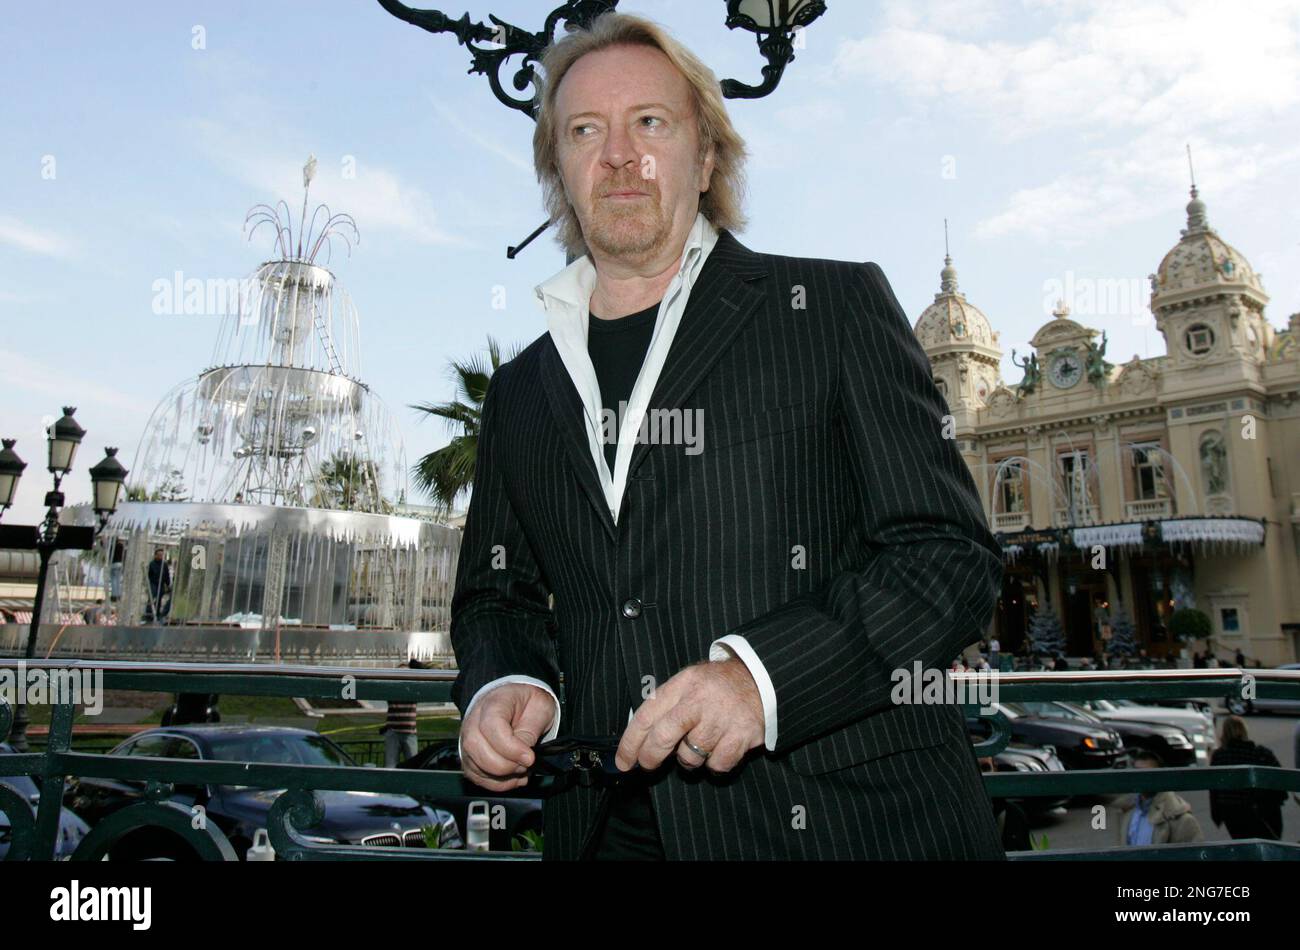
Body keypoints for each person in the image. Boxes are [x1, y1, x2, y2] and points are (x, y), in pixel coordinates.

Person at [450, 12, 1004, 861]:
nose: (620, 154)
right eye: (585, 130)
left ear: (705, 157)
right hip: (603, 834)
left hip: (848, 830)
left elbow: (948, 555)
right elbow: (497, 597)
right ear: (558, 168)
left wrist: (763, 678)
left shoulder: (833, 310)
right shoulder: (521, 389)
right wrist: (507, 681)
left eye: (651, 123)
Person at [1209, 716, 1286, 840]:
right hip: (1263, 814)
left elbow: (1214, 789)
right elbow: (1281, 784)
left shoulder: (1219, 757)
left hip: (1232, 814)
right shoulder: (1261, 754)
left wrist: (1217, 815)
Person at [1117, 750, 1203, 846]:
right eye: (1137, 772)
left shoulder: (1181, 820)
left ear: (1161, 776)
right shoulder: (1129, 813)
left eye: (1148, 774)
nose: (1141, 778)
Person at [383, 660, 423, 768]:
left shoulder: (413, 689)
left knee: (413, 768)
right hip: (394, 732)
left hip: (409, 733)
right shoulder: (392, 690)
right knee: (390, 767)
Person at [144, 547, 171, 622]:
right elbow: (148, 575)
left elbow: (166, 575)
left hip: (161, 584)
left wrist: (168, 584)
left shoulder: (164, 565)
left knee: (159, 599)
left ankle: (157, 614)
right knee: (152, 598)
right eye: (159, 555)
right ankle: (148, 614)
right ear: (155, 555)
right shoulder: (152, 564)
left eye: (162, 555)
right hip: (153, 583)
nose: (160, 556)